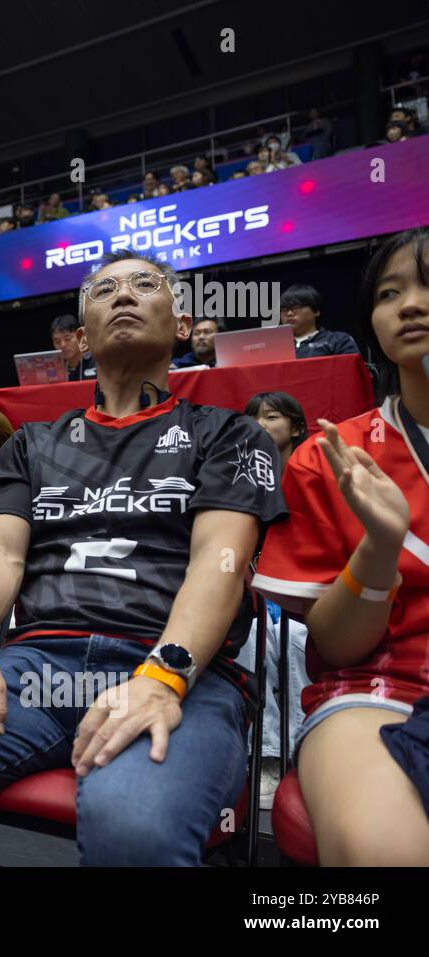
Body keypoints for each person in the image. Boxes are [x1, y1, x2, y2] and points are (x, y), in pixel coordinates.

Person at [0, 250, 288, 866]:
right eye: (105, 289)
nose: (124, 295)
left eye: (144, 284)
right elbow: (0, 554)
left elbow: (218, 563)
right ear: (80, 340)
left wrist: (162, 676)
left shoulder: (228, 434)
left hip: (176, 668)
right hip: (37, 665)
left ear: (184, 326)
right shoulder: (33, 444)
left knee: (132, 825)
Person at [252, 228, 429, 864]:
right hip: (381, 689)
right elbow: (336, 644)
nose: (409, 304)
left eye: (427, 285)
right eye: (390, 292)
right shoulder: (331, 458)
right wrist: (379, 550)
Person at [235, 390, 311, 808]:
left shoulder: (314, 479)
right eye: (252, 418)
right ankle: (266, 756)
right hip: (259, 605)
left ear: (296, 427)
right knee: (252, 638)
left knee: (296, 641)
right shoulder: (237, 483)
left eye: (272, 416)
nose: (260, 424)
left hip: (311, 605)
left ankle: (301, 754)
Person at [280, 284, 359, 358]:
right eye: (284, 309)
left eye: (296, 307)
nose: (289, 313)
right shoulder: (273, 346)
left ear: (316, 311)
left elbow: (350, 370)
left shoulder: (338, 341)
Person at [50, 313, 96, 379]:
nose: (63, 345)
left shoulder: (97, 362)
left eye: (67, 339)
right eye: (57, 342)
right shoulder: (54, 370)